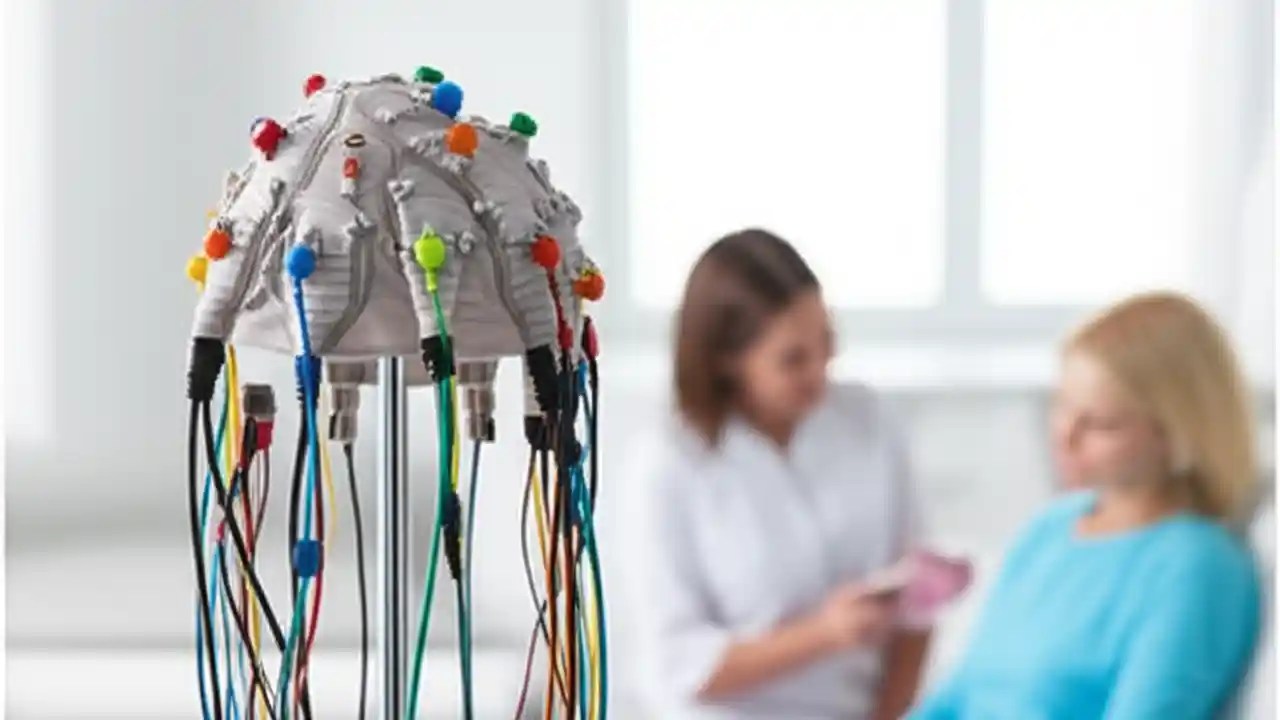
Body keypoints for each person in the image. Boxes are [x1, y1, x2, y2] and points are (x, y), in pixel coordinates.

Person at [910, 292, 1262, 719]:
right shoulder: (1050, 530)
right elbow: (960, 692)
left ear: (1176, 432)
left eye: (1098, 422)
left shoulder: (1197, 566)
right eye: (1062, 405)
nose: (1065, 436)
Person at [637, 229, 930, 719]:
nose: (820, 371)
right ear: (726, 360)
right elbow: (680, 663)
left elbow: (918, 603)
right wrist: (828, 633)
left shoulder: (869, 420)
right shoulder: (671, 462)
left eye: (828, 343)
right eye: (794, 358)